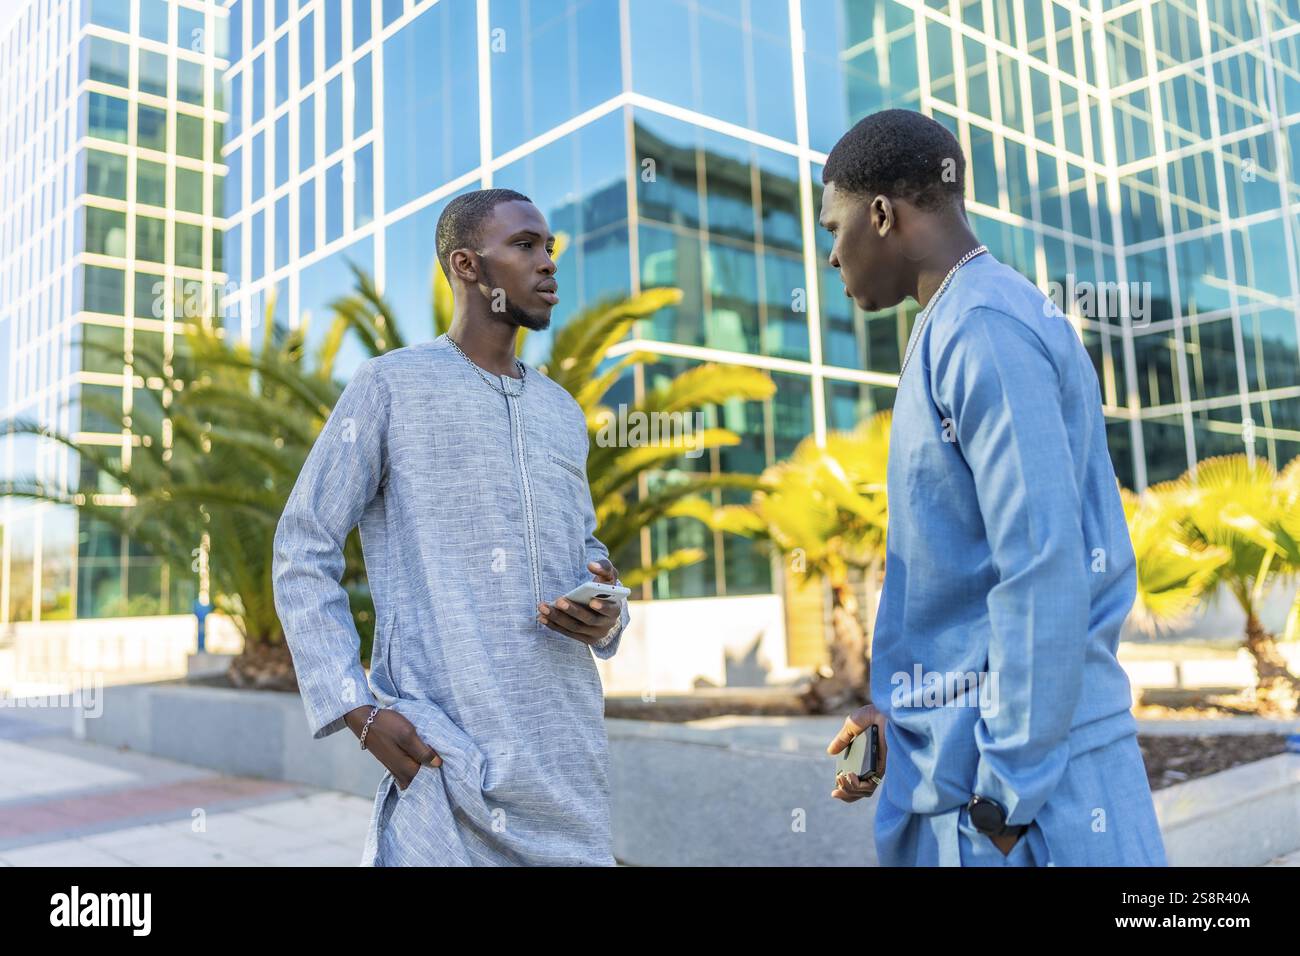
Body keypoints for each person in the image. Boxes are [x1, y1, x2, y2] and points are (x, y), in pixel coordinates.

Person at [818, 110, 1167, 867]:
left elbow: (1042, 568)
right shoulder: (956, 324)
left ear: (881, 215)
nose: (829, 257)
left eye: (832, 227)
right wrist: (900, 711)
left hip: (1022, 803)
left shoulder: (983, 329)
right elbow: (966, 580)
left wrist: (1003, 799)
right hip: (972, 778)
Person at [272, 188, 630, 866]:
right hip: (446, 767)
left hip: (568, 770)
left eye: (548, 247)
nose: (548, 263)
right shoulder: (391, 387)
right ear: (467, 265)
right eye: (525, 245)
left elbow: (584, 547)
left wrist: (605, 606)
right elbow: (304, 542)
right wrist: (357, 709)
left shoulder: (562, 410)